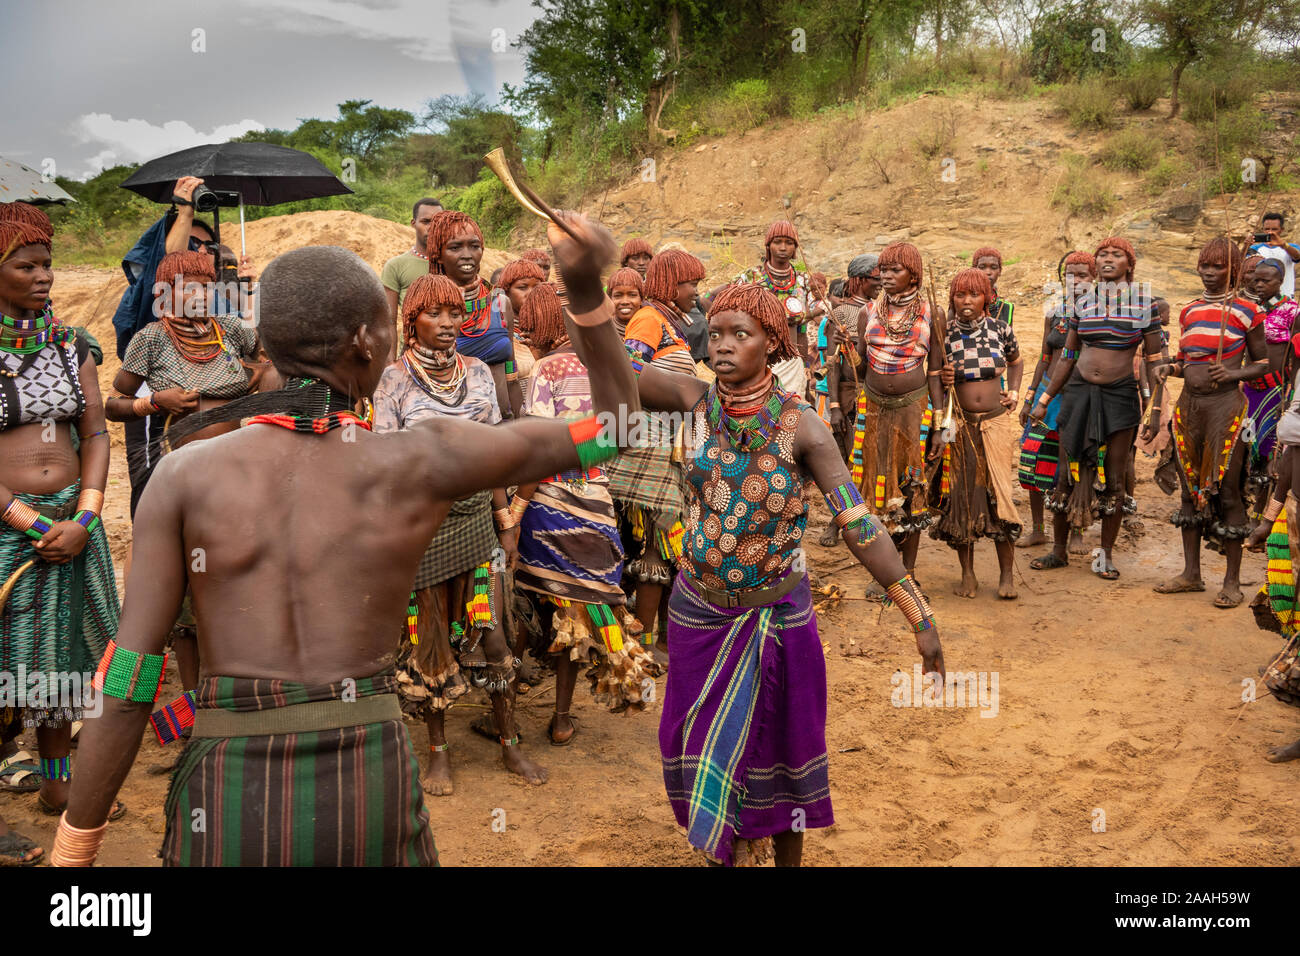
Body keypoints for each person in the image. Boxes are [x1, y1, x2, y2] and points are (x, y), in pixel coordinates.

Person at [58, 213, 640, 867]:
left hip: (229, 789)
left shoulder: (183, 475)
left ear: (269, 344)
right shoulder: (421, 461)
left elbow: (131, 679)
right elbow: (617, 425)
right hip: (369, 782)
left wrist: (75, 849)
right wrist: (586, 291)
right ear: (368, 342)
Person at [627, 282, 944, 866]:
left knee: (784, 749)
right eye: (715, 333)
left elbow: (858, 523)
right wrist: (583, 291)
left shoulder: (804, 428)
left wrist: (917, 612)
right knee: (690, 741)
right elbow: (615, 373)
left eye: (739, 334)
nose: (722, 345)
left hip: (775, 617)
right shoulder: (693, 403)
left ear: (772, 342)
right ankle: (728, 845)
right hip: (697, 612)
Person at [373, 273, 545, 792]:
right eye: (435, 315)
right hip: (423, 526)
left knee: (493, 636)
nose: (447, 324)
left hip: (476, 523)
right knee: (432, 640)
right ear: (412, 321)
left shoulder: (476, 372)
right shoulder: (393, 380)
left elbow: (493, 454)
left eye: (454, 314)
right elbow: (386, 462)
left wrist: (506, 521)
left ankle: (510, 742)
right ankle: (439, 752)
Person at [0, 220, 121, 865]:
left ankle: (56, 783)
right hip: (8, 532)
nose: (44, 276)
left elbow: (97, 434)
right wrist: (32, 523)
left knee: (66, 654)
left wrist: (87, 515)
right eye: (27, 266)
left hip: (77, 524)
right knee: (5, 666)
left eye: (47, 264)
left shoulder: (74, 344)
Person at [512, 283, 660, 745]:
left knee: (524, 608)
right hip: (596, 500)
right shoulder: (609, 369)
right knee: (577, 612)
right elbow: (625, 433)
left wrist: (518, 505)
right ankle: (560, 718)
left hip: (548, 504)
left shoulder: (546, 369)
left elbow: (540, 446)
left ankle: (506, 712)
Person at [1029, 237, 1164, 580]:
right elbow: (1069, 356)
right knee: (1064, 474)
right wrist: (1044, 399)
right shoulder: (1083, 303)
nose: (1108, 259)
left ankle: (1105, 556)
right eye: (1102, 254)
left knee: (1115, 479)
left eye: (1116, 255)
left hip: (1119, 396)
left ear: (1128, 265)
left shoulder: (1143, 305)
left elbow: (1153, 360)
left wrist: (1155, 409)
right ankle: (1058, 551)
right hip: (1077, 393)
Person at [1153, 238, 1266, 608]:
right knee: (1189, 493)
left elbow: (1265, 364)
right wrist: (1168, 368)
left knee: (1228, 491)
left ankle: (1232, 582)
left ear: (1232, 271)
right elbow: (1186, 362)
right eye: (1205, 265)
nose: (1208, 271)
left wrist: (1234, 372)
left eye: (1218, 267)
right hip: (1190, 409)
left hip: (1226, 409)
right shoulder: (1190, 311)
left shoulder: (1247, 310)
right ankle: (1191, 574)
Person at [832, 242, 942, 586]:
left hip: (914, 407)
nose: (886, 276)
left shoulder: (932, 313)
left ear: (914, 274)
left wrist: (941, 426)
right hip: (875, 406)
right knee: (877, 485)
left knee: (911, 486)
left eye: (895, 270)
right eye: (883, 270)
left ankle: (907, 573)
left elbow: (936, 371)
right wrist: (848, 348)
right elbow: (861, 370)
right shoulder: (869, 312)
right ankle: (887, 571)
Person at [930, 268, 1023, 598]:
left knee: (1000, 496)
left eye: (973, 294)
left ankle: (1007, 577)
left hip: (996, 422)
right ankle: (967, 574)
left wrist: (1013, 391)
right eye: (959, 295)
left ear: (987, 297)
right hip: (957, 422)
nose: (966, 301)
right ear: (952, 299)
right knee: (961, 496)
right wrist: (943, 421)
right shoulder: (944, 334)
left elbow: (1016, 361)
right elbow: (934, 379)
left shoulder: (1000, 329)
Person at [1018, 252, 1094, 553]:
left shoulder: (1099, 314)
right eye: (1070, 275)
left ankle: (1076, 530)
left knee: (1072, 465)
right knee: (1032, 462)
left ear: (1095, 278)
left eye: (1083, 275)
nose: (1075, 281)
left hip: (1078, 397)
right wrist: (1029, 396)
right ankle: (1038, 529)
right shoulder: (1055, 311)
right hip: (1047, 395)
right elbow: (1044, 357)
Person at [425, 210, 516, 422]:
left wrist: (517, 418)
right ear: (438, 253)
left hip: (502, 427)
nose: (467, 255)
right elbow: (415, 372)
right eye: (455, 247)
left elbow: (511, 372)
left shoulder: (500, 304)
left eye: (474, 246)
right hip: (453, 430)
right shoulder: (425, 307)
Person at [815, 253, 880, 547]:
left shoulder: (880, 310)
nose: (880, 282)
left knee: (867, 464)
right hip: (848, 395)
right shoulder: (840, 314)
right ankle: (836, 522)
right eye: (874, 278)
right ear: (859, 280)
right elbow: (833, 364)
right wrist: (836, 407)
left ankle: (859, 520)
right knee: (844, 465)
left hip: (874, 396)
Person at [733, 221, 821, 396]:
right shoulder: (751, 277)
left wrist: (805, 366)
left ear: (795, 247)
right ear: (768, 245)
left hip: (791, 361)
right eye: (777, 242)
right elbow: (728, 314)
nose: (783, 247)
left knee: (790, 414)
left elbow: (801, 329)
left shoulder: (802, 281)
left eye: (789, 243)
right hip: (756, 360)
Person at [381, 197, 443, 358]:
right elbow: (389, 322)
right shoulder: (395, 266)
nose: (432, 227)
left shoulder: (453, 264)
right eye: (426, 221)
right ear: (413, 223)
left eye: (437, 222)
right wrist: (390, 364)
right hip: (412, 353)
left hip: (452, 354)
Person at [1249, 212, 1300, 300]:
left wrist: (1283, 245)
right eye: (1267, 229)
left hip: (1285, 298)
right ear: (1263, 229)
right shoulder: (1255, 248)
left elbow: (1297, 256)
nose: (1270, 232)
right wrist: (1246, 245)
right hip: (1260, 299)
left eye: (1274, 229)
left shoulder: (1291, 247)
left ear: (1282, 230)